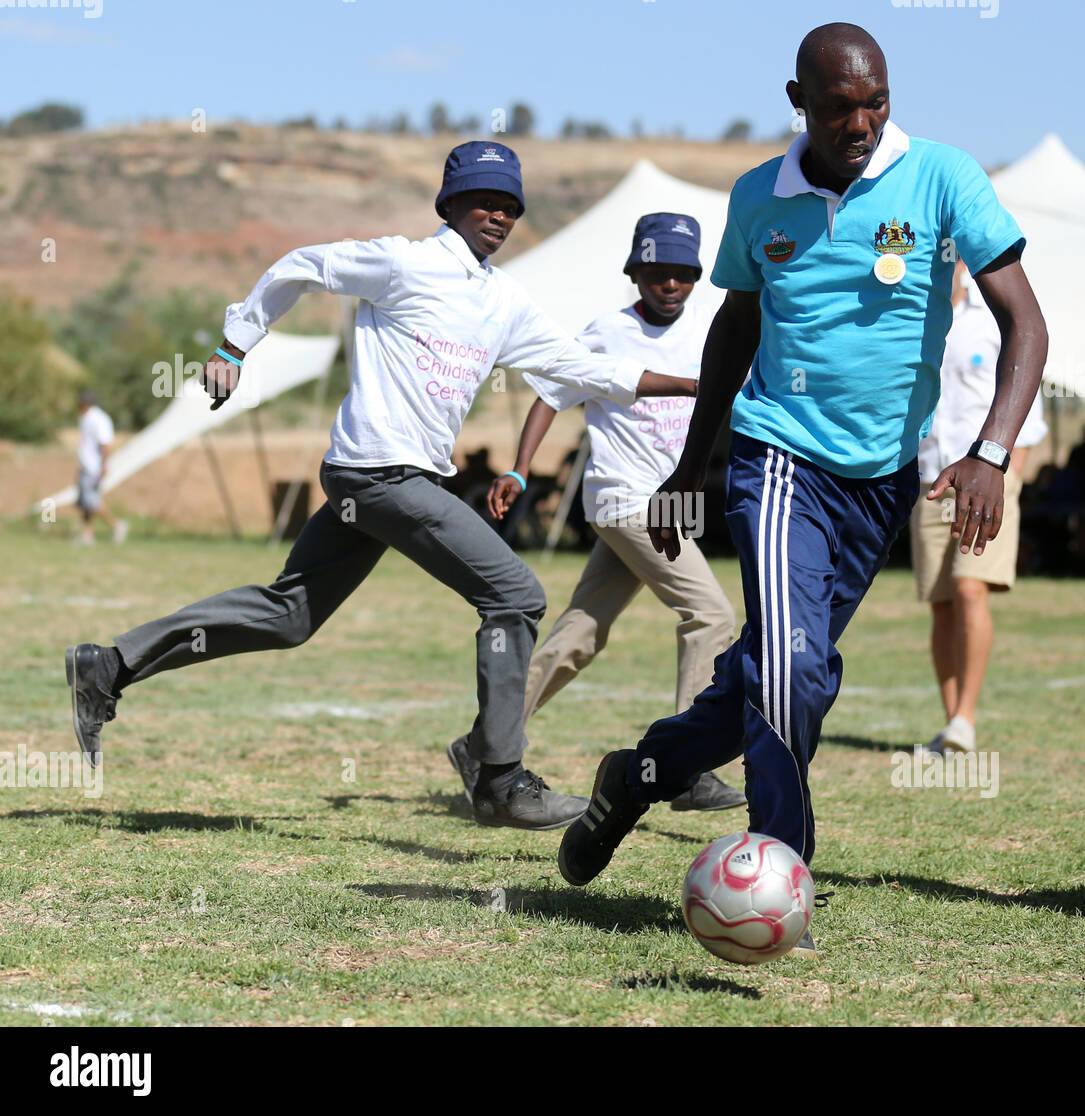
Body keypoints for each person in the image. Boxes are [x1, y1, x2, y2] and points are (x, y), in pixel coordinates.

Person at [555, 23, 1047, 956]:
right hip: (777, 455)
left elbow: (1026, 320)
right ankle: (780, 873)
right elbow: (735, 329)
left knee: (778, 673)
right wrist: (692, 464)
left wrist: (992, 448)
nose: (860, 122)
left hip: (881, 482)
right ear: (798, 101)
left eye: (877, 102)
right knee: (787, 668)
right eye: (837, 107)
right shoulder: (757, 198)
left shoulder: (944, 176)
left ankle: (636, 774)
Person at [65, 141, 698, 832]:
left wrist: (701, 383)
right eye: (485, 200)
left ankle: (109, 664)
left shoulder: (504, 301)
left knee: (290, 615)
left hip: (373, 481)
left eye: (511, 205)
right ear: (450, 204)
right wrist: (233, 345)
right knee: (515, 596)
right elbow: (299, 265)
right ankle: (498, 776)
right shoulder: (404, 262)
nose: (499, 215)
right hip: (377, 474)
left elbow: (586, 369)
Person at [469, 213, 745, 813]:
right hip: (627, 500)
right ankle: (688, 768)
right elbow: (549, 392)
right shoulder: (606, 332)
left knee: (581, 633)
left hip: (671, 502)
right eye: (655, 272)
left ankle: (482, 743)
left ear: (697, 277)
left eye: (681, 273)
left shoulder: (707, 325)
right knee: (711, 616)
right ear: (635, 272)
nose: (668, 284)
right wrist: (519, 467)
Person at [911, 258, 1048, 753]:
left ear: (961, 263)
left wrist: (1009, 480)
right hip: (928, 479)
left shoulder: (994, 318)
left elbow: (1027, 409)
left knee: (971, 590)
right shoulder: (908, 318)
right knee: (942, 603)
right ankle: (951, 724)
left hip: (987, 481)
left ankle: (966, 719)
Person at [74, 390, 127, 546]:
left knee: (91, 502)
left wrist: (104, 465)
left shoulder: (98, 419)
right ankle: (87, 535)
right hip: (86, 465)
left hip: (93, 467)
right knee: (85, 504)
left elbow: (106, 444)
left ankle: (116, 525)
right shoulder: (85, 418)